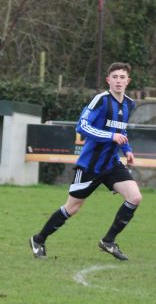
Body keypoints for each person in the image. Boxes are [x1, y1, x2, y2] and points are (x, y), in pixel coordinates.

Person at [29, 62, 141, 261]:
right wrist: (110, 137)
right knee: (72, 207)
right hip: (90, 165)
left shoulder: (129, 104)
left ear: (128, 81)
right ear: (108, 80)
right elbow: (81, 127)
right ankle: (38, 239)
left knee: (134, 197)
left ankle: (108, 241)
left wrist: (127, 150)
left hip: (112, 164)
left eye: (122, 77)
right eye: (114, 77)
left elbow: (121, 130)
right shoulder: (100, 101)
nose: (118, 81)